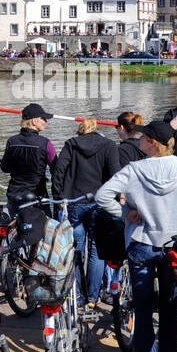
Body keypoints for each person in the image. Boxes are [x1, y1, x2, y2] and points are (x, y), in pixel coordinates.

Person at [96, 122, 177, 352]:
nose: (139, 140)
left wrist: (125, 213)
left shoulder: (134, 170)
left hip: (141, 244)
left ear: (152, 143)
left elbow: (102, 196)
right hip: (174, 246)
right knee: (170, 301)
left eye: (143, 137)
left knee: (143, 308)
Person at [51, 118, 120, 307]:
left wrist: (58, 197)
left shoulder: (71, 145)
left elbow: (59, 171)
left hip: (74, 202)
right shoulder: (109, 145)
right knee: (97, 251)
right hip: (99, 203)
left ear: (81, 131)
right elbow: (116, 175)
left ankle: (78, 296)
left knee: (76, 249)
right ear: (97, 130)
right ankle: (92, 297)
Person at [1, 103, 57, 233]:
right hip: (36, 196)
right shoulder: (45, 143)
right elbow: (56, 168)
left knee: (18, 232)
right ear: (34, 121)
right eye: (43, 118)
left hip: (14, 195)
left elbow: (4, 167)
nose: (46, 121)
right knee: (45, 232)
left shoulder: (12, 141)